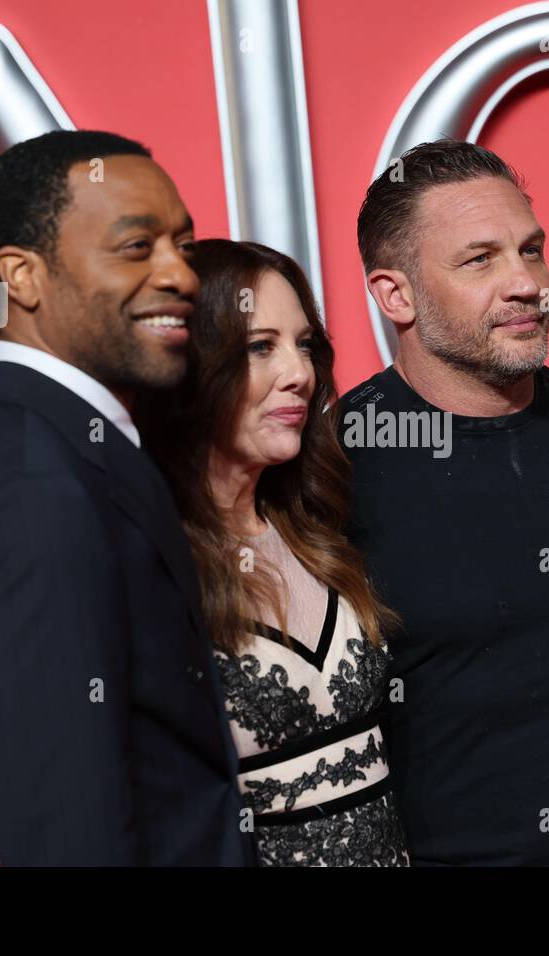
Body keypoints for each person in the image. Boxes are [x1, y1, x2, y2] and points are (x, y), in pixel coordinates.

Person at [0, 130, 253, 866]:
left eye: (183, 243)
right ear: (23, 276)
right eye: (137, 247)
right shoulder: (41, 489)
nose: (182, 274)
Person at [341, 139, 549, 865]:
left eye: (532, 251)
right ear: (395, 294)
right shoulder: (331, 464)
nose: (526, 283)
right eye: (480, 260)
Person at [134, 239, 408, 866]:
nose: (300, 373)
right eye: (262, 347)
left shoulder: (322, 521)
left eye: (304, 344)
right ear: (192, 365)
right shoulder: (147, 562)